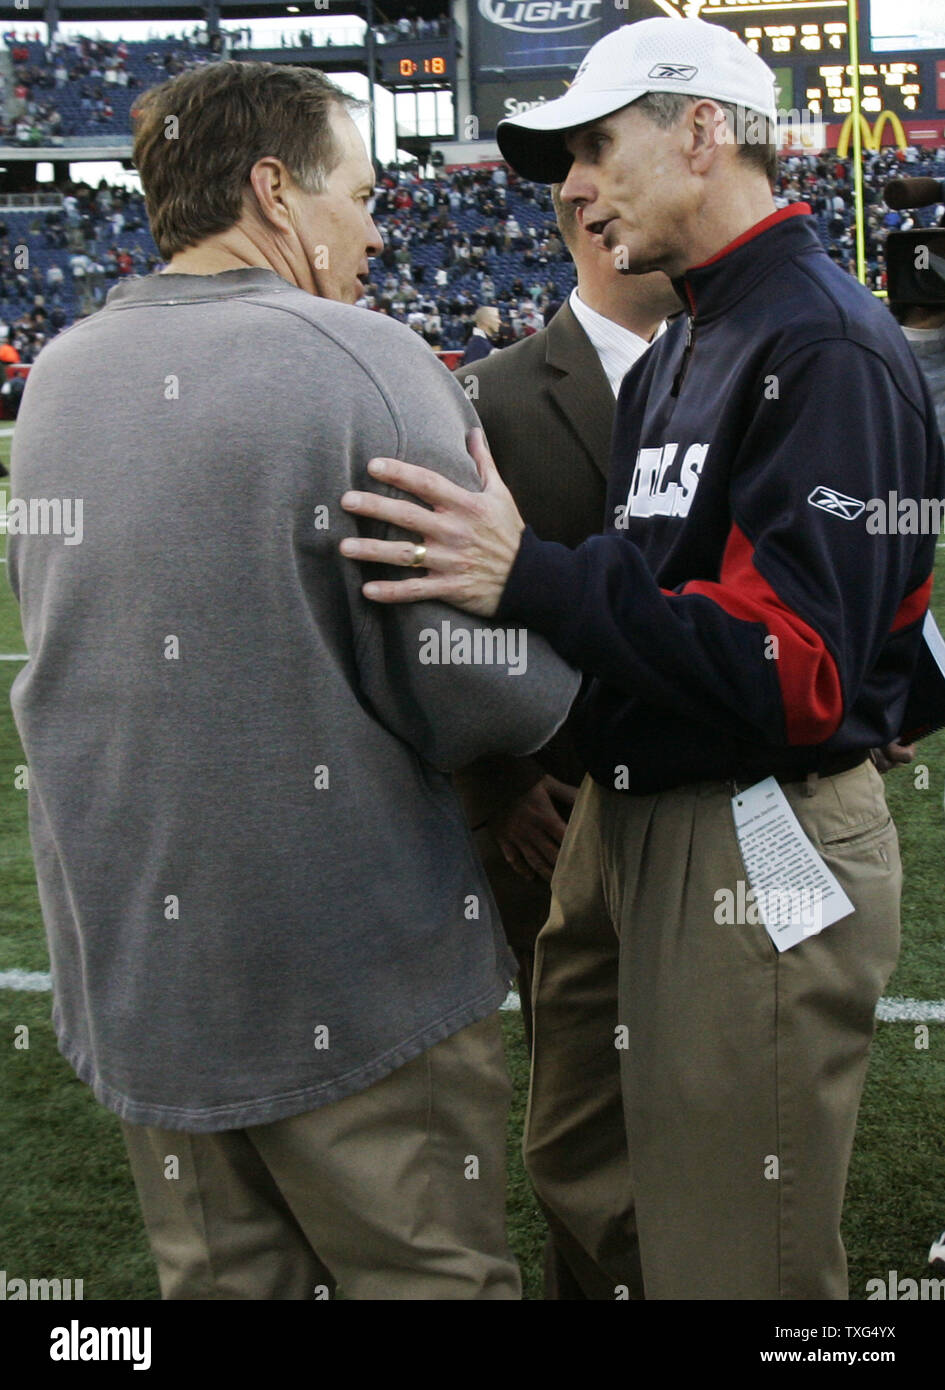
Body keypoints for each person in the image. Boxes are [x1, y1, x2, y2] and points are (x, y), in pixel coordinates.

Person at [339, 17, 945, 1299]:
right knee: (588, 1187)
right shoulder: (682, 341)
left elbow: (797, 671)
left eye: (599, 147)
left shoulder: (819, 341)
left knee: (742, 1255)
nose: (572, 186)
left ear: (705, 131)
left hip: (750, 821)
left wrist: (529, 573)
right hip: (628, 817)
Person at [7, 60, 578, 1301]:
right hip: (345, 971)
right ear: (275, 191)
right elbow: (493, 692)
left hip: (144, 978)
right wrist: (527, 567)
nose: (377, 229)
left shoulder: (59, 375)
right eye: (360, 194)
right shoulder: (363, 359)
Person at [454, 186, 680, 1298]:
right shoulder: (484, 394)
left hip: (726, 800)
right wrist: (495, 786)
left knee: (726, 1084)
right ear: (594, 229)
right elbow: (430, 610)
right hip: (557, 811)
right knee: (587, 1103)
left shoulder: (745, 368)